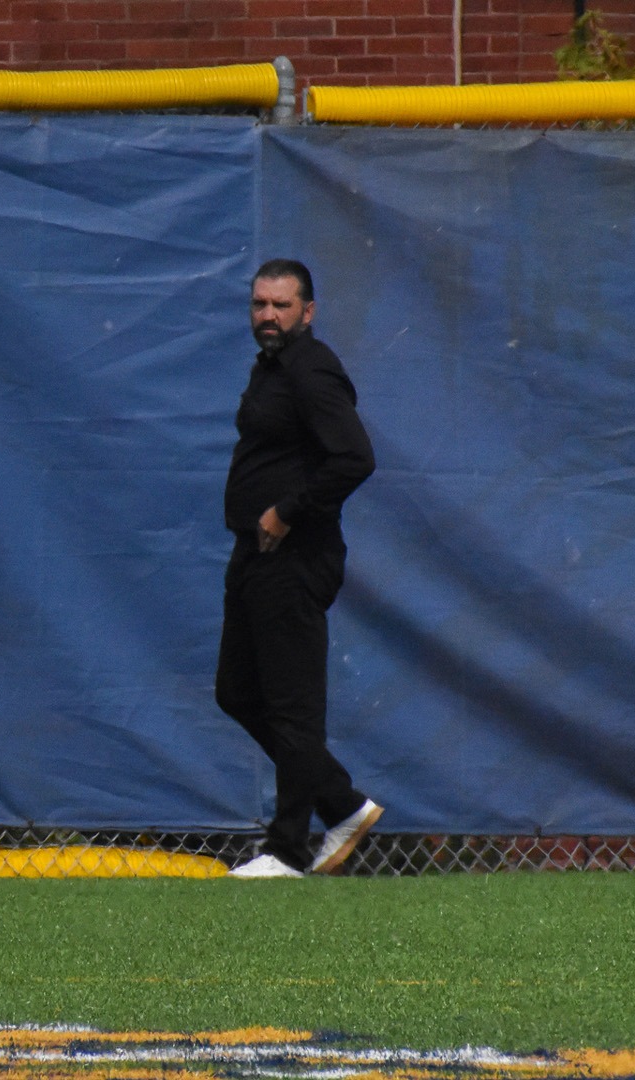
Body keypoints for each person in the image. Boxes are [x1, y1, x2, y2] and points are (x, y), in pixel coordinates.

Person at [218, 259, 383, 879]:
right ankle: (340, 803)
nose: (268, 316)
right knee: (235, 692)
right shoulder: (271, 370)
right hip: (254, 554)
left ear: (307, 312)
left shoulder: (313, 369)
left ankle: (287, 849)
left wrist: (287, 511)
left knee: (292, 706)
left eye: (281, 306)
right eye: (259, 304)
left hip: (295, 556)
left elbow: (354, 458)